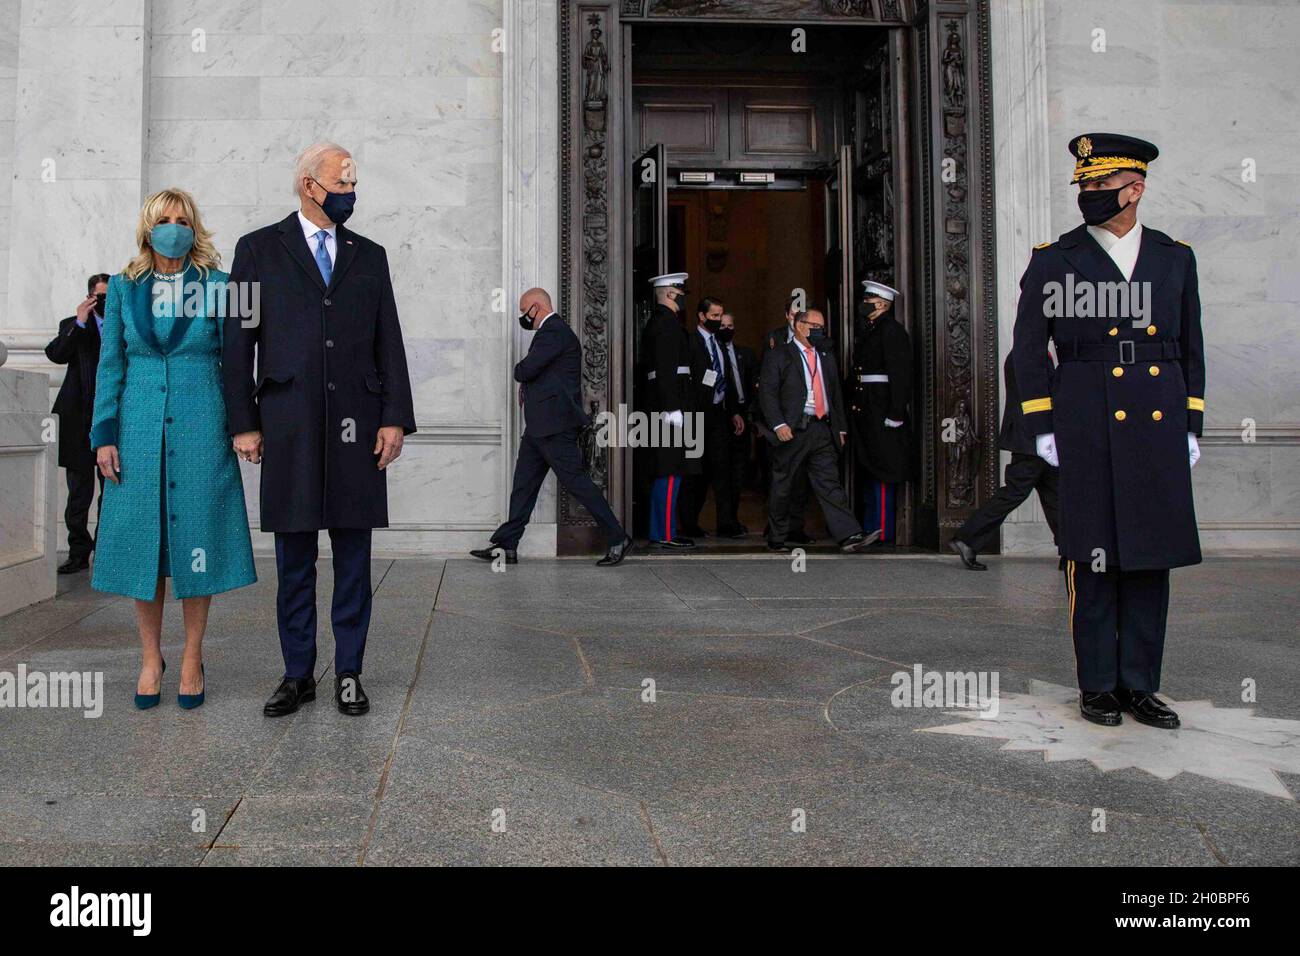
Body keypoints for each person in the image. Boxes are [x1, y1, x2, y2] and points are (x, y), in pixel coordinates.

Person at [1012, 132, 1204, 730]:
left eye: (1100, 185)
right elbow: (1026, 351)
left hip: (1157, 421)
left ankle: (1141, 685)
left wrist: (1191, 422)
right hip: (1085, 420)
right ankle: (1097, 684)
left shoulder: (1175, 257)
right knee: (1091, 558)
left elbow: (1191, 346)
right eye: (1085, 185)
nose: (1089, 194)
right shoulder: (1054, 258)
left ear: (1135, 188)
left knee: (1150, 556)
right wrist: (1041, 423)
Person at [224, 142, 416, 718]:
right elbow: (239, 343)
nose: (351, 194)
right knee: (294, 559)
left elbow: (390, 341)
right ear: (310, 185)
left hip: (360, 427)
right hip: (289, 426)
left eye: (354, 184)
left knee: (354, 554)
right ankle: (297, 673)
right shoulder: (255, 250)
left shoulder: (371, 255)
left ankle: (350, 672)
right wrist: (244, 423)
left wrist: (394, 418)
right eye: (342, 183)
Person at [89, 189, 256, 711]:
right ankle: (149, 657)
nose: (174, 227)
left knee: (196, 536)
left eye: (183, 220)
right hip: (136, 428)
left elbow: (237, 363)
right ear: (148, 228)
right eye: (164, 219)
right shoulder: (121, 287)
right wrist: (103, 435)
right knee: (144, 541)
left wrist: (245, 427)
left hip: (202, 424)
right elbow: (110, 365)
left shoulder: (221, 286)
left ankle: (191, 656)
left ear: (195, 228)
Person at [470, 288, 632, 566]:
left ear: (537, 307)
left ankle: (618, 537)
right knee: (523, 485)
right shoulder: (551, 334)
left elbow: (525, 370)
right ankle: (507, 545)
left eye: (524, 310)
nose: (523, 317)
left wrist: (522, 370)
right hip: (540, 426)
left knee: (577, 483)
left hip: (555, 426)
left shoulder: (554, 331)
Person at [760, 308, 875, 554]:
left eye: (822, 327)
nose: (819, 331)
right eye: (815, 326)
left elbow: (835, 394)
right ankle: (776, 537)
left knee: (829, 482)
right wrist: (778, 425)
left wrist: (840, 428)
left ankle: (848, 534)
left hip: (822, 428)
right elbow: (767, 393)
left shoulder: (826, 355)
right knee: (784, 484)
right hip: (793, 429)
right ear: (799, 326)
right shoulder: (779, 355)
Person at [949, 353, 1060, 570]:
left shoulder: (1022, 354)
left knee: (1056, 495)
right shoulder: (1032, 356)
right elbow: (1041, 397)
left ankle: (1070, 552)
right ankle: (968, 538)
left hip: (1031, 437)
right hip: (1035, 439)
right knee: (1015, 493)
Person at [46, 272, 111, 574]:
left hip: (110, 421)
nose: (105, 303)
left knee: (111, 491)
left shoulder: (123, 326)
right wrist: (81, 320)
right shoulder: (73, 325)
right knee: (79, 493)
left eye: (111, 296)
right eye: (100, 297)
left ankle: (106, 550)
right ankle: (78, 552)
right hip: (77, 422)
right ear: (90, 296)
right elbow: (56, 354)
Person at [849, 280, 913, 546]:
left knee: (883, 467)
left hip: (883, 407)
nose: (864, 304)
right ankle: (871, 525)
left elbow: (900, 374)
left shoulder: (892, 331)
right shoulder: (871, 329)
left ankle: (883, 529)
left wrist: (896, 412)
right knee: (870, 463)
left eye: (869, 299)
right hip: (868, 407)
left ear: (882, 304)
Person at [638, 273, 699, 549]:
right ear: (670, 294)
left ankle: (663, 529)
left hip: (669, 407)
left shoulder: (666, 322)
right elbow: (664, 370)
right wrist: (671, 407)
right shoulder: (664, 324)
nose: (683, 294)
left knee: (671, 470)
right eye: (680, 290)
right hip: (668, 411)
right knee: (669, 470)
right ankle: (663, 532)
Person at [681, 297, 745, 539]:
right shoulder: (690, 342)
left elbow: (725, 378)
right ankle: (689, 524)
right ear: (702, 316)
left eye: (721, 316)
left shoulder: (719, 342)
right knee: (695, 473)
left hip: (719, 415)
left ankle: (726, 524)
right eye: (715, 316)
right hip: (697, 415)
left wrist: (734, 412)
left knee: (722, 471)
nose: (718, 321)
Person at [758, 293, 811, 544]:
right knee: (778, 478)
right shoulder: (774, 339)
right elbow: (766, 382)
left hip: (805, 421)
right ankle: (775, 528)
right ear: (787, 315)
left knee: (800, 479)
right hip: (779, 421)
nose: (797, 318)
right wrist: (773, 421)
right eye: (794, 313)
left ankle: (796, 528)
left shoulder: (815, 338)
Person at [718, 311, 755, 536]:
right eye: (722, 325)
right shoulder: (713, 351)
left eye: (730, 325)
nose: (726, 329)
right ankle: (724, 522)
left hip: (743, 413)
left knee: (738, 473)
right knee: (722, 473)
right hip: (721, 416)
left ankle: (732, 519)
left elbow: (754, 385)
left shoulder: (746, 354)